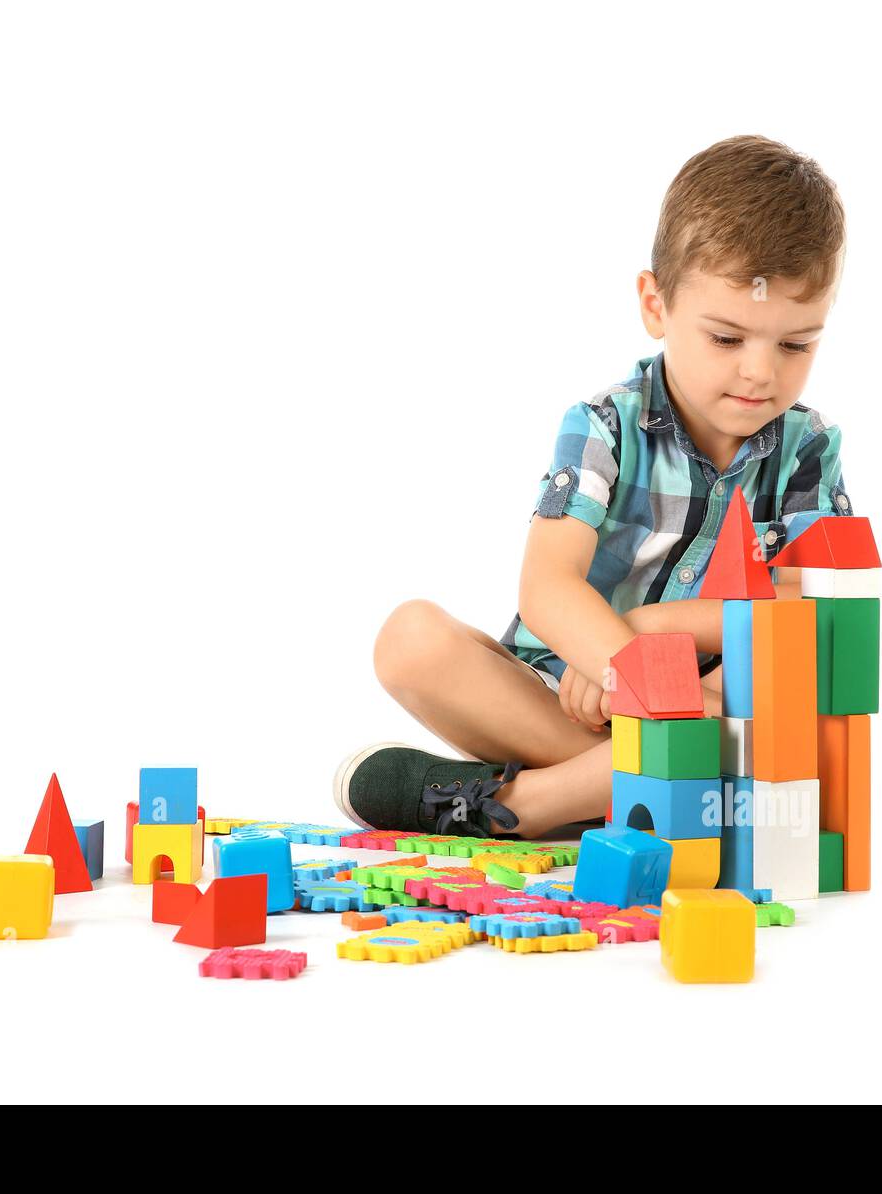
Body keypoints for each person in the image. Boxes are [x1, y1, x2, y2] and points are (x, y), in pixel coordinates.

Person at [334, 134, 853, 840]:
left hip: (705, 701)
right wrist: (619, 667)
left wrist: (649, 636)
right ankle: (638, 792)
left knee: (783, 681)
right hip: (563, 694)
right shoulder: (605, 426)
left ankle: (524, 805)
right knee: (410, 640)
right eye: (728, 339)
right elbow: (548, 588)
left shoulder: (807, 450)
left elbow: (814, 612)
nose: (762, 373)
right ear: (656, 304)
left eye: (795, 344)